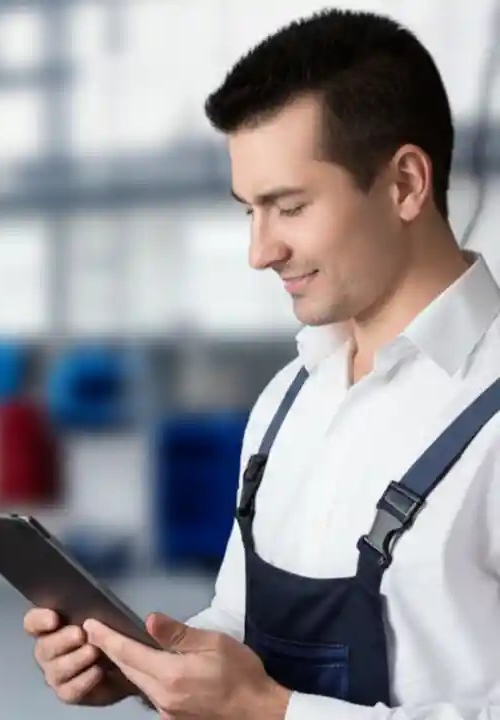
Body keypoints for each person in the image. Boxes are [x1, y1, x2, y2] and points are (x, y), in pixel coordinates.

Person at [25, 9, 500, 718]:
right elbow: (243, 628)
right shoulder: (288, 400)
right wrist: (151, 665)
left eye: (289, 206)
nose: (260, 251)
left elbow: (263, 700)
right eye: (249, 210)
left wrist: (272, 712)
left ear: (404, 184)